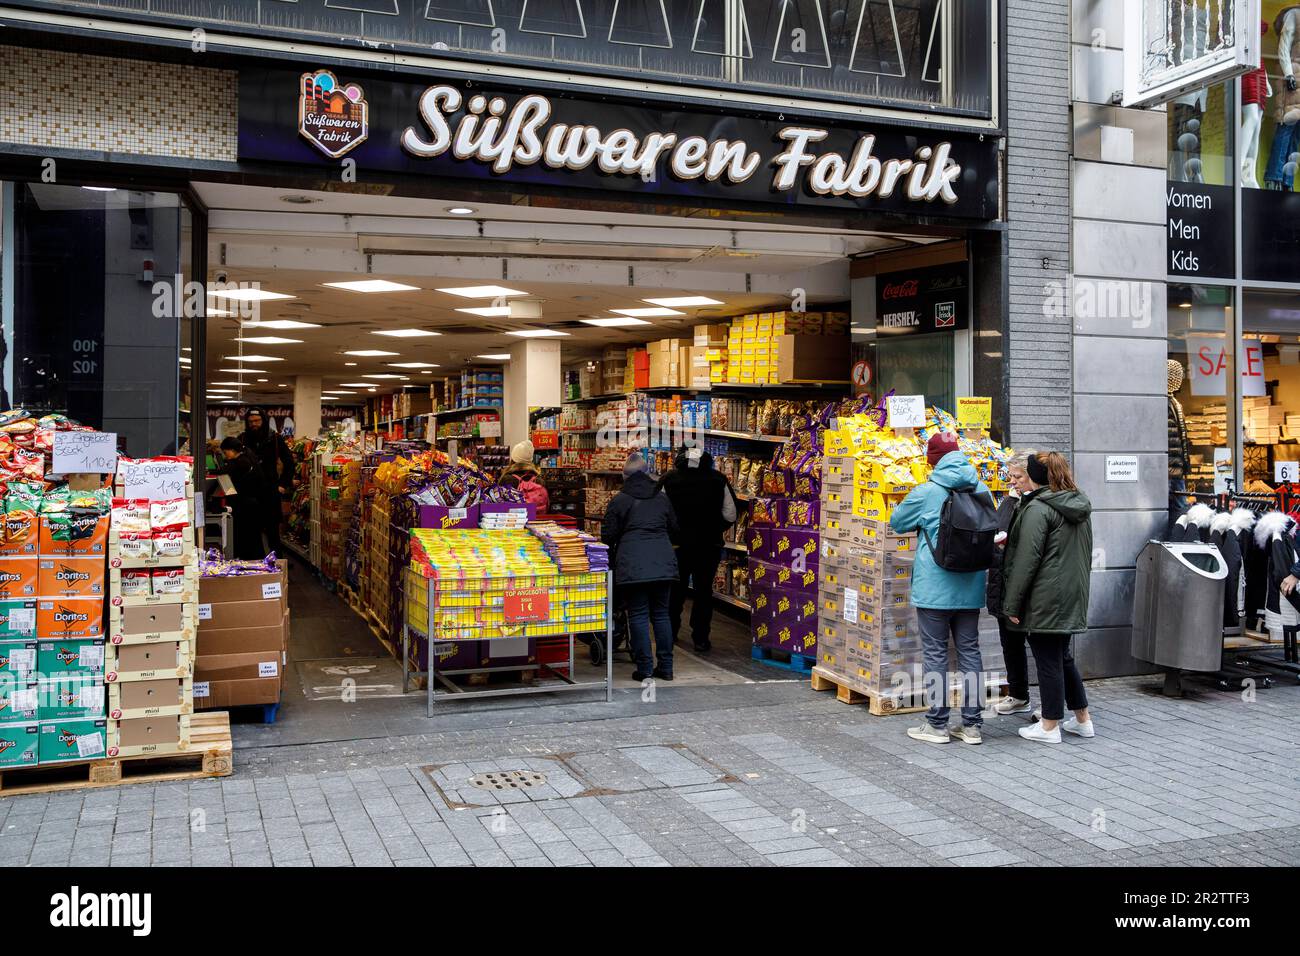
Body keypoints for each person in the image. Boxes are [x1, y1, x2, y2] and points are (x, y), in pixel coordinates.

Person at [890, 432, 991, 746]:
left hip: (934, 586)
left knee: (935, 654)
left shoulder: (928, 491)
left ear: (932, 459)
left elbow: (897, 521)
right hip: (971, 584)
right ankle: (972, 726)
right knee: (969, 652)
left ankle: (937, 725)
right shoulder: (982, 488)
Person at [1001, 451, 1095, 744]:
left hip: (1045, 595)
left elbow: (1025, 560)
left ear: (1037, 477)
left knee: (1048, 660)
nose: (1020, 480)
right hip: (1071, 592)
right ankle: (1082, 720)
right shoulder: (1077, 503)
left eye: (1024, 474)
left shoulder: (1038, 509)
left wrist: (1012, 603)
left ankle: (1049, 725)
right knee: (1062, 657)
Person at [601, 452, 680, 681]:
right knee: (661, 615)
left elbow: (607, 536)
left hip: (633, 565)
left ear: (624, 477)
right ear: (648, 474)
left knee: (638, 615)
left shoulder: (619, 500)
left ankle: (644, 668)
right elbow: (675, 528)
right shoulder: (662, 498)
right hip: (663, 563)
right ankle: (666, 667)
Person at [660, 446, 737, 653]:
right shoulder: (718, 480)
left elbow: (659, 510)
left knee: (676, 590)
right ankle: (701, 638)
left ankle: (671, 631)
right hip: (708, 546)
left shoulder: (669, 479)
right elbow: (730, 514)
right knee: (704, 591)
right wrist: (715, 528)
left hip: (677, 546)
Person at [988, 455, 1032, 715]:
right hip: (1002, 577)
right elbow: (999, 526)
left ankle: (1056, 707)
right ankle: (1018, 694)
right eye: (1011, 476)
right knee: (1010, 642)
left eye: (1018, 477)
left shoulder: (1037, 504)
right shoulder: (1010, 500)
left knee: (1043, 647)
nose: (1013, 482)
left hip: (1022, 582)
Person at [240, 407, 294, 556]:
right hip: (249, 494)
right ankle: (254, 569)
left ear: (263, 420)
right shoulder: (243, 439)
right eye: (250, 422)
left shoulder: (275, 438)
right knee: (251, 533)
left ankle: (277, 568)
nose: (254, 424)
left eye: (257, 421)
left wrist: (283, 484)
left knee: (272, 533)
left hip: (271, 491)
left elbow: (289, 463)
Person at [216, 437, 268, 560]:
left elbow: (224, 473)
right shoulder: (248, 458)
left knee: (246, 535)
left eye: (225, 452)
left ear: (232, 450)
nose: (225, 455)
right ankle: (255, 559)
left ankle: (248, 560)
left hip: (245, 505)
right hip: (252, 504)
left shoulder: (240, 462)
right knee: (253, 536)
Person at [499, 440, 550, 512]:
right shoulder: (539, 480)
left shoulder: (506, 480)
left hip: (513, 521)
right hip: (537, 520)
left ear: (513, 459)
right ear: (530, 460)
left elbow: (498, 506)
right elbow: (547, 506)